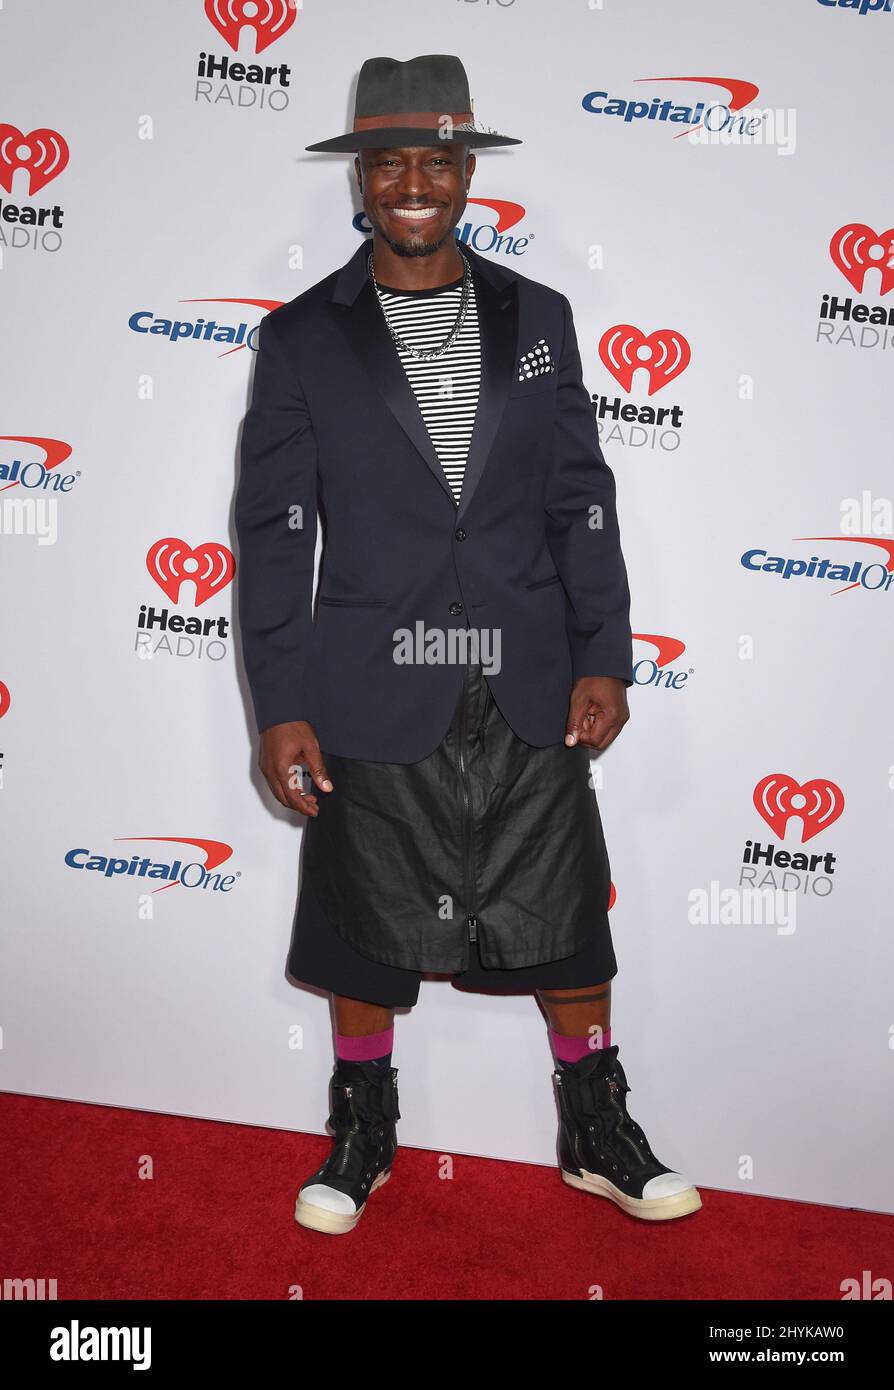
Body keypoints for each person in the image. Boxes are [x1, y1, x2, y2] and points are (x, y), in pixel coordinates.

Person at [234, 53, 700, 1236]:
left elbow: (578, 498)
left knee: (565, 927)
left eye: (436, 160)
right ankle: (362, 1127)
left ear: (465, 173)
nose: (412, 183)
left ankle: (597, 1125)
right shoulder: (301, 339)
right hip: (372, 685)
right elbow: (277, 536)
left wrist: (607, 651)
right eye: (388, 161)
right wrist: (279, 700)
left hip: (527, 675)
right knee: (360, 932)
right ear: (360, 182)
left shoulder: (539, 321)